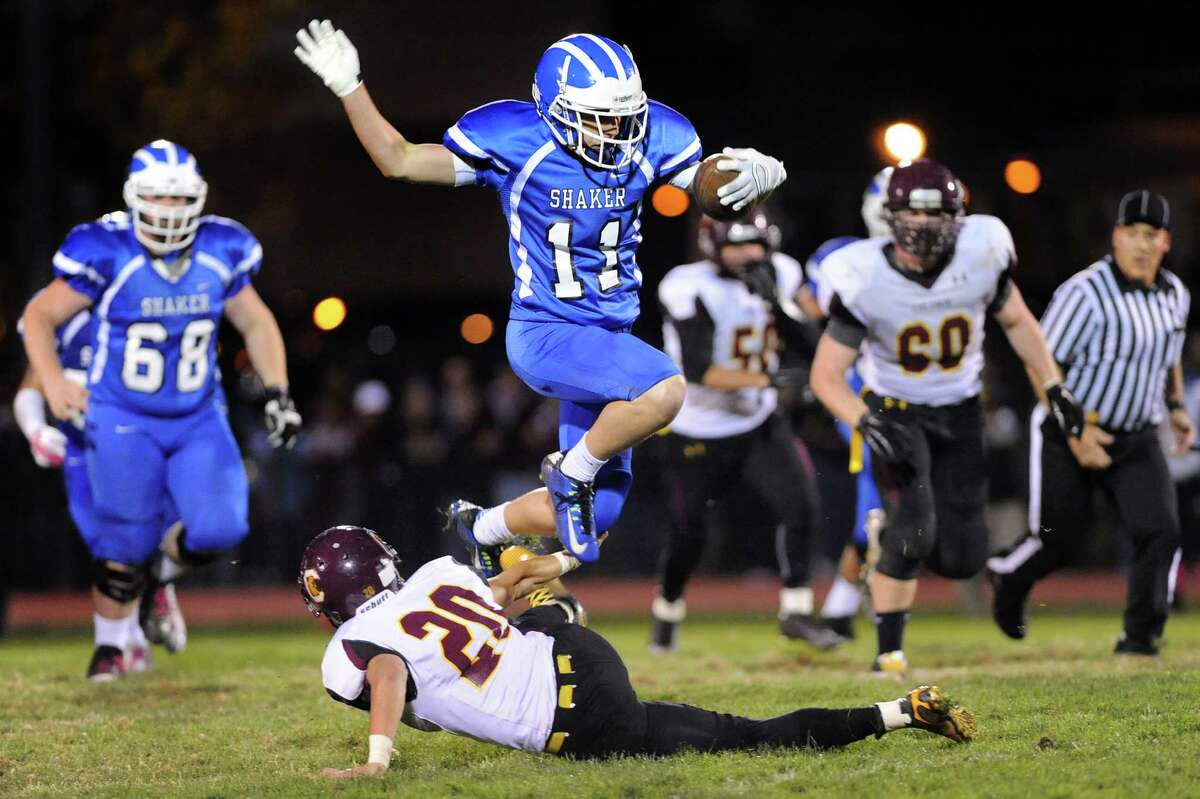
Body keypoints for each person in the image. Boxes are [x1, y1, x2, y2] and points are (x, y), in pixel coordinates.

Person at [293, 21, 787, 568]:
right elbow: (401, 160)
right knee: (666, 390)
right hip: (547, 332)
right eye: (601, 119)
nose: (617, 131)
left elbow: (710, 191)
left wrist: (749, 173)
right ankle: (569, 471)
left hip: (608, 340)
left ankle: (479, 526)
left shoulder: (653, 136)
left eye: (625, 116)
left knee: (598, 520)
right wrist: (349, 87)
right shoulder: (516, 140)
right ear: (556, 111)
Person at [299, 525, 975, 777]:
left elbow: (387, 668)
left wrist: (377, 761)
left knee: (737, 739)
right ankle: (898, 710)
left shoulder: (351, 647)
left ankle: (556, 595)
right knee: (740, 736)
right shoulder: (436, 576)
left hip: (575, 714)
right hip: (579, 658)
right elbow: (491, 597)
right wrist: (548, 563)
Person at [21, 140, 301, 680]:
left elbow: (256, 322)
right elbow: (37, 316)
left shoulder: (222, 247)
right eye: (158, 200)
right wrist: (52, 383)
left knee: (221, 528)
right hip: (122, 416)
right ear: (134, 199)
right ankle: (109, 648)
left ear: (197, 200)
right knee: (122, 543)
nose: (169, 212)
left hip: (198, 417)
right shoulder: (107, 251)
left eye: (179, 200)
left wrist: (278, 392)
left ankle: (159, 579)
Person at [808, 158, 1083, 674]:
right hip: (895, 412)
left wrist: (1054, 385)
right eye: (913, 215)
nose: (925, 228)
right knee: (914, 528)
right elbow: (826, 375)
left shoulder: (982, 253)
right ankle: (888, 651)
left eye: (937, 216)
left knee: (963, 558)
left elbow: (1019, 322)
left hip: (959, 412)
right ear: (890, 217)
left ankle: (890, 547)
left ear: (957, 218)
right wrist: (864, 420)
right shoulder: (862, 274)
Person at [987, 190, 1192, 655]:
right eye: (1133, 233)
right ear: (1117, 237)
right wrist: (1076, 433)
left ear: (1165, 242)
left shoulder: (1175, 292)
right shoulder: (1085, 292)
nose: (1142, 244)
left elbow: (1170, 351)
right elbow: (1041, 363)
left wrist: (1176, 407)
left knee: (1160, 531)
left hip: (1137, 433)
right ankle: (1007, 578)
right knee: (1060, 541)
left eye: (1151, 235)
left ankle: (1139, 642)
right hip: (1069, 429)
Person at [650, 210, 840, 651]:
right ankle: (667, 609)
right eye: (735, 244)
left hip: (757, 421)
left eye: (752, 243)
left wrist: (778, 303)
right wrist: (768, 380)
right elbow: (697, 369)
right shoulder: (685, 284)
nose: (746, 254)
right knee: (688, 534)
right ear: (712, 245)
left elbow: (814, 345)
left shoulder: (784, 272)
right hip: (697, 425)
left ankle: (795, 610)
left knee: (803, 506)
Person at [14, 307, 183, 676]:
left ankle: (140, 613)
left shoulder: (145, 303)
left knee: (134, 541)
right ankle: (131, 636)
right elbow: (31, 384)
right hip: (83, 449)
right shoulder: (62, 313)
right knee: (105, 548)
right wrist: (35, 430)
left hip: (140, 446)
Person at [802, 167, 893, 639]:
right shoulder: (844, 257)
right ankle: (884, 617)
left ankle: (840, 608)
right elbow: (809, 305)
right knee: (881, 507)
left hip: (909, 397)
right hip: (861, 399)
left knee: (880, 507)